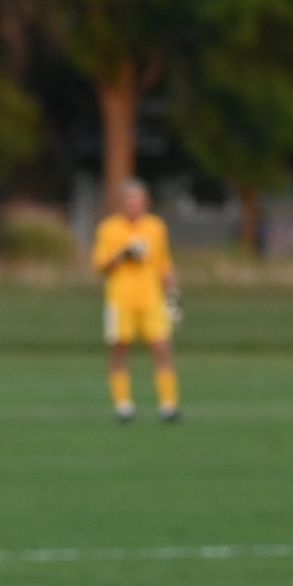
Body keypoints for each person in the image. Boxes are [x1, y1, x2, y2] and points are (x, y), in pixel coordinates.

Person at [90, 178, 180, 423]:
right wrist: (123, 255)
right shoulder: (109, 229)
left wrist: (173, 297)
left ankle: (168, 405)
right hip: (121, 299)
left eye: (138, 200)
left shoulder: (155, 227)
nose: (134, 205)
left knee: (162, 347)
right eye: (129, 201)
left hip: (151, 298)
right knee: (120, 349)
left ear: (146, 202)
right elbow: (101, 265)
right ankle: (123, 405)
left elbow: (164, 264)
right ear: (121, 203)